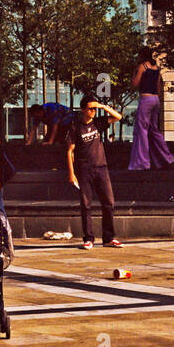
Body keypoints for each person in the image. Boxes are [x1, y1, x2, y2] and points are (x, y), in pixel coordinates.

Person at [66, 96, 123, 249]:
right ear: (83, 109)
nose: (93, 111)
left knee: (109, 203)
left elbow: (118, 117)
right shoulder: (75, 127)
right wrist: (71, 174)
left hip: (101, 168)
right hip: (84, 170)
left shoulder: (99, 123)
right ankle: (88, 238)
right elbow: (70, 151)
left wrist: (103, 106)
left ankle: (109, 238)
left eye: (94, 109)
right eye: (90, 108)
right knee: (86, 205)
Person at [129, 47, 174, 172]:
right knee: (154, 130)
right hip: (155, 100)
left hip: (146, 99)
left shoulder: (142, 67)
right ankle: (167, 158)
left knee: (142, 131)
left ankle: (142, 163)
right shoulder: (156, 68)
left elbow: (135, 83)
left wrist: (134, 73)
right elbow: (158, 86)